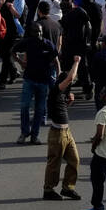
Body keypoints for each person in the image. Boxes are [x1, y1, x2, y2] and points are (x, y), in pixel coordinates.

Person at [41, 60, 83, 202]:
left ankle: (68, 188)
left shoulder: (61, 94)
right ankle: (48, 190)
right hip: (57, 134)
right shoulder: (55, 91)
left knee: (74, 160)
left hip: (66, 132)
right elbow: (71, 77)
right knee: (54, 163)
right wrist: (76, 62)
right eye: (68, 83)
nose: (70, 85)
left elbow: (60, 110)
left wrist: (68, 103)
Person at [14, 22, 58, 145]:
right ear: (31, 32)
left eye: (39, 31)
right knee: (24, 106)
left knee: (39, 110)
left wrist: (57, 75)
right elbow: (13, 51)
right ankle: (24, 132)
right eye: (35, 31)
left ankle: (35, 135)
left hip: (43, 81)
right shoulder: (27, 42)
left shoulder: (47, 44)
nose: (37, 33)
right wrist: (20, 62)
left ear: (42, 32)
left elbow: (55, 59)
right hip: (29, 80)